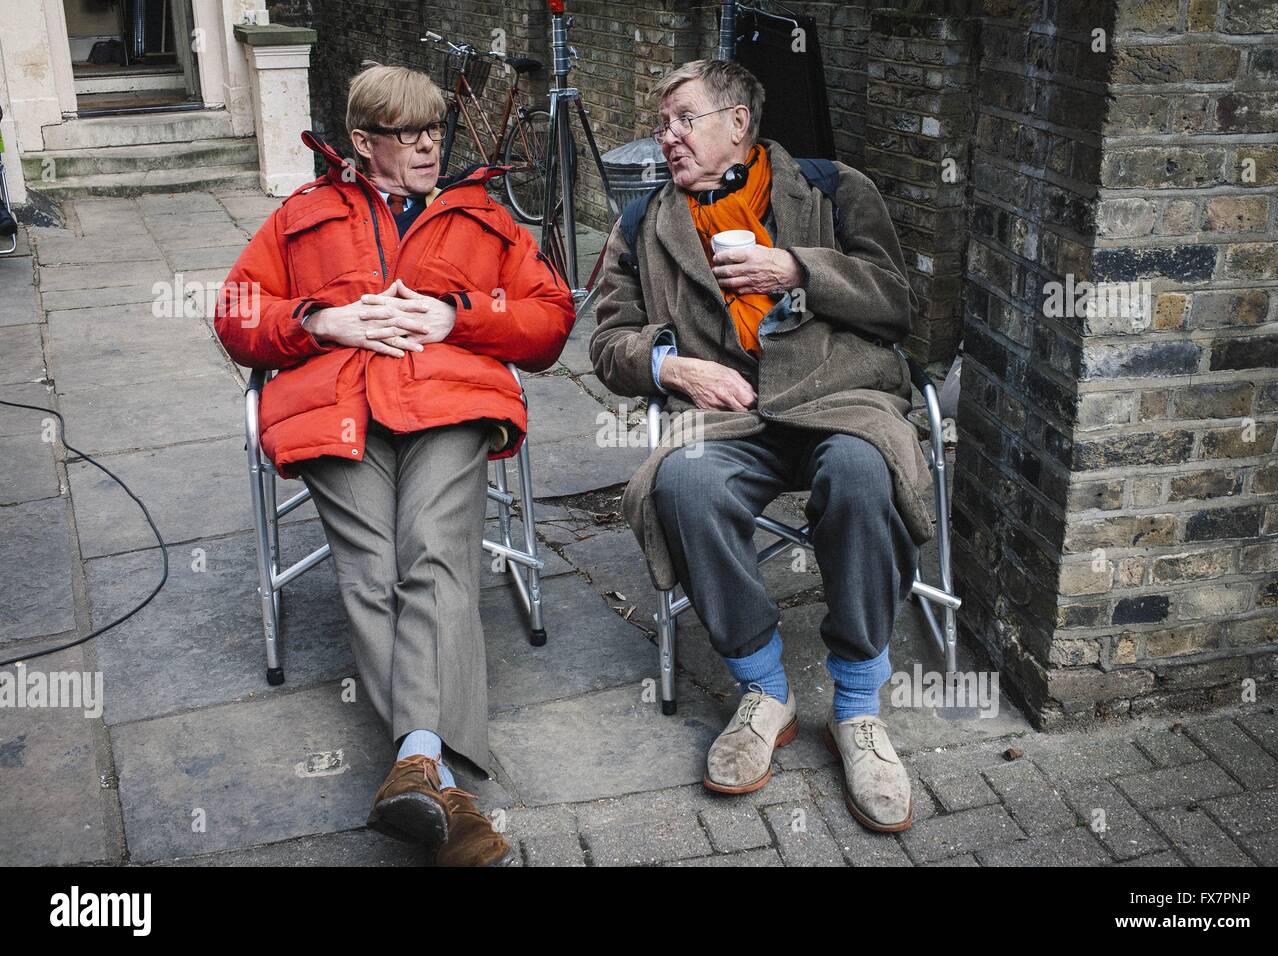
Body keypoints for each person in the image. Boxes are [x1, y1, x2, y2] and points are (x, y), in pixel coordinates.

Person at [215, 65, 575, 865]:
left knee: (434, 550)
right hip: (335, 409)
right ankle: (437, 779)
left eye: (435, 132)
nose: (427, 147)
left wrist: (460, 313)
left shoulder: (481, 215)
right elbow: (236, 310)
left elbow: (552, 319)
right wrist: (323, 319)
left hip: (447, 404)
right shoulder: (304, 214)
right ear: (362, 142)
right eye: (407, 134)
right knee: (371, 566)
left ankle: (417, 764)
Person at [589, 59, 934, 832]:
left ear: (737, 122)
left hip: (840, 397)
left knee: (859, 469)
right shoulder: (645, 222)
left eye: (683, 118)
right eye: (662, 122)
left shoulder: (834, 187)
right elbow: (607, 341)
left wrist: (795, 268)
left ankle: (857, 709)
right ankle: (763, 690)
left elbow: (896, 304)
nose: (666, 135)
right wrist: (669, 365)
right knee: (684, 481)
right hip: (730, 416)